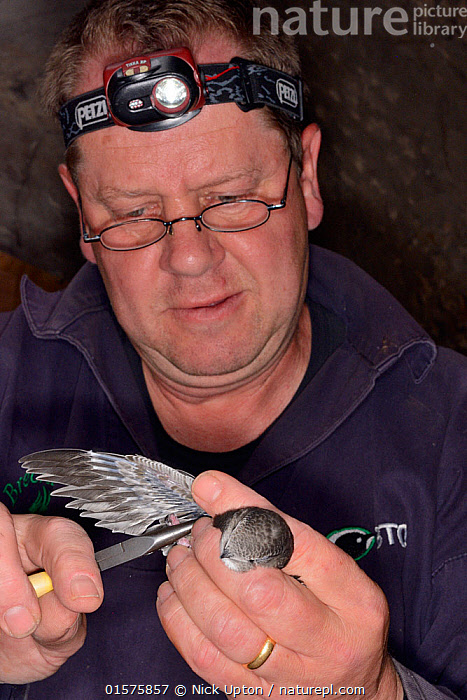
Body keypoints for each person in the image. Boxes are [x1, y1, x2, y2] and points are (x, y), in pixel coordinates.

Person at [0, 0, 465, 698]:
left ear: (304, 177)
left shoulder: (452, 429)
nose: (189, 259)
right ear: (81, 213)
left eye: (231, 200)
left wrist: (375, 691)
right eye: (132, 213)